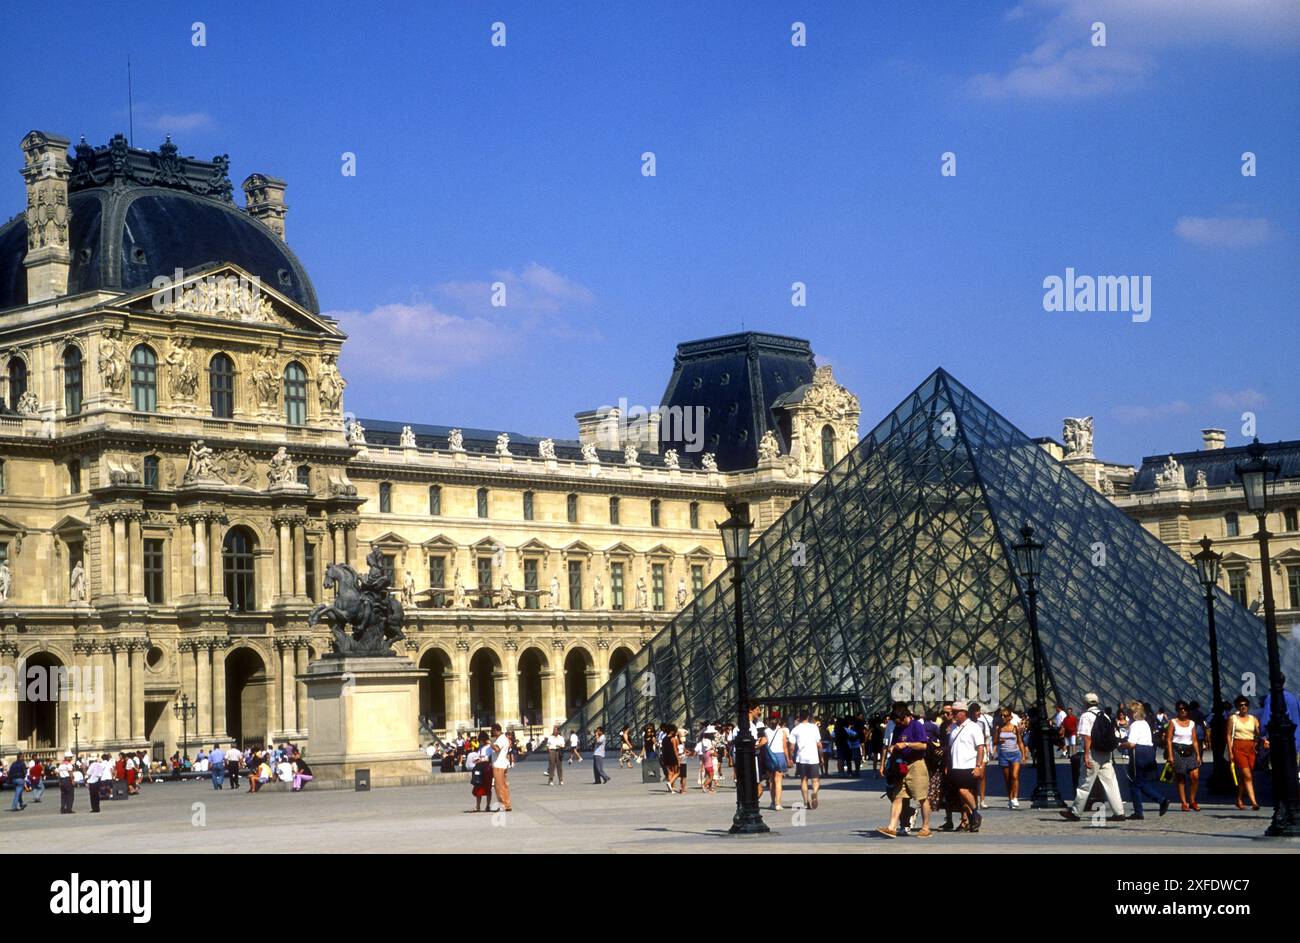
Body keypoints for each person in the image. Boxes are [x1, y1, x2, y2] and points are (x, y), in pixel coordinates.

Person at [1060, 692, 1126, 823]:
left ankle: (1075, 812)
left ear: (1086, 703)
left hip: (1094, 753)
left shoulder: (1086, 716)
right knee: (1111, 782)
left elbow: (1087, 737)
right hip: (1106, 753)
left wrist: (1085, 755)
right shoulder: (1105, 715)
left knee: (1085, 782)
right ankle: (1119, 812)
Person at [877, 703, 931, 838]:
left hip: (916, 764)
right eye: (897, 722)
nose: (899, 724)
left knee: (922, 797)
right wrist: (893, 748)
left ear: (907, 716)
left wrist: (907, 744)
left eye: (901, 721)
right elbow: (894, 743)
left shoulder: (916, 725)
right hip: (902, 764)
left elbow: (923, 745)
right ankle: (892, 827)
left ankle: (926, 827)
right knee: (898, 795)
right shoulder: (898, 727)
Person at [1121, 701, 1169, 819]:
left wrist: (1122, 745)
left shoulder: (1135, 725)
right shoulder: (1145, 723)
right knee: (1139, 782)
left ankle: (1156, 802)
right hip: (1149, 752)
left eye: (1128, 711)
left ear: (1133, 713)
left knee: (1134, 782)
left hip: (1139, 753)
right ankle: (1145, 808)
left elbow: (1132, 743)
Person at [945, 701, 985, 832]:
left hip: (968, 765)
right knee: (962, 797)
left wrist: (978, 766)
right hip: (955, 766)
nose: (953, 714)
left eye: (956, 712)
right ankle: (969, 820)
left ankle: (975, 813)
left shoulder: (974, 727)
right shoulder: (953, 728)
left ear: (964, 713)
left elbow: (980, 748)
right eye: (953, 712)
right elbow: (950, 747)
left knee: (964, 791)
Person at [1227, 696, 1264, 810]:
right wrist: (1230, 751)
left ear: (1248, 706)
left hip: (1250, 748)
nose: (1243, 707)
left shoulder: (1253, 719)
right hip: (1238, 747)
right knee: (1248, 775)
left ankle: (1239, 799)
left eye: (1245, 704)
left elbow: (1258, 734)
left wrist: (1261, 741)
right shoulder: (1233, 718)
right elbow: (1228, 735)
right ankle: (1254, 802)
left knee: (1245, 777)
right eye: (1241, 705)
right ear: (1237, 706)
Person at [1164, 700, 1202, 811]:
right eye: (1180, 709)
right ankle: (1184, 802)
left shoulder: (1192, 723)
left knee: (1195, 777)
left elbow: (1194, 740)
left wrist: (1198, 755)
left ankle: (1192, 800)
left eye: (1185, 709)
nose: (1183, 711)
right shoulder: (1173, 722)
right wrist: (1170, 756)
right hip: (1177, 750)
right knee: (1181, 779)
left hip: (1190, 750)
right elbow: (1169, 739)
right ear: (1177, 711)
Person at [994, 706, 1028, 809]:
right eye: (1001, 716)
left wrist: (1023, 756)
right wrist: (999, 741)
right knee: (1007, 779)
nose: (1003, 717)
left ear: (1010, 717)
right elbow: (995, 741)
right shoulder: (999, 728)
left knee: (1014, 776)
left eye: (1005, 716)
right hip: (1003, 755)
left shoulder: (1015, 728)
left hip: (1015, 754)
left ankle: (1015, 798)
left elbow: (1020, 742)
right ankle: (1010, 798)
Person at [765, 715, 791, 810]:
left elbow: (765, 744)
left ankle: (772, 802)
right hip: (780, 755)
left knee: (772, 780)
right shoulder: (782, 732)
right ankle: (778, 804)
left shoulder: (765, 731)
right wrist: (788, 759)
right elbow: (785, 747)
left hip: (770, 755)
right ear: (779, 720)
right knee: (779, 780)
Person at [491, 723, 513, 812]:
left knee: (499, 786)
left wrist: (490, 743)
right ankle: (507, 804)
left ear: (496, 730)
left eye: (492, 731)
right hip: (502, 764)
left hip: (498, 765)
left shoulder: (501, 739)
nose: (492, 733)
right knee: (504, 786)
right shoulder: (504, 738)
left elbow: (496, 749)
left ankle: (503, 805)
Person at [470, 737, 493, 812]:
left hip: (487, 768)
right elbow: (476, 757)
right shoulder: (480, 748)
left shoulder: (490, 747)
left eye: (480, 741)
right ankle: (478, 806)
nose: (480, 742)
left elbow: (490, 758)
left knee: (487, 788)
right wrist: (476, 759)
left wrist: (481, 759)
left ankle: (487, 806)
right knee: (478, 786)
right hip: (480, 768)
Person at [661, 724, 683, 794]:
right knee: (677, 772)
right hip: (673, 757)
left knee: (670, 773)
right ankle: (670, 783)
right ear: (672, 731)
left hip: (665, 757)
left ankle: (672, 788)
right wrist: (678, 760)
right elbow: (675, 750)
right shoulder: (673, 739)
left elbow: (663, 749)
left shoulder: (664, 739)